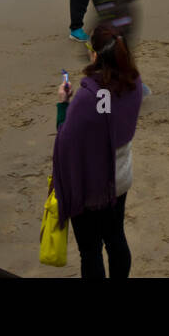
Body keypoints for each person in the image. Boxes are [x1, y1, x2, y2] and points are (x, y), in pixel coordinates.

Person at [51, 24, 144, 278]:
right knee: (116, 239)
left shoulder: (88, 98)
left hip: (93, 186)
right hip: (120, 177)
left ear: (96, 55)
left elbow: (65, 141)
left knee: (90, 250)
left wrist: (63, 106)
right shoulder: (134, 83)